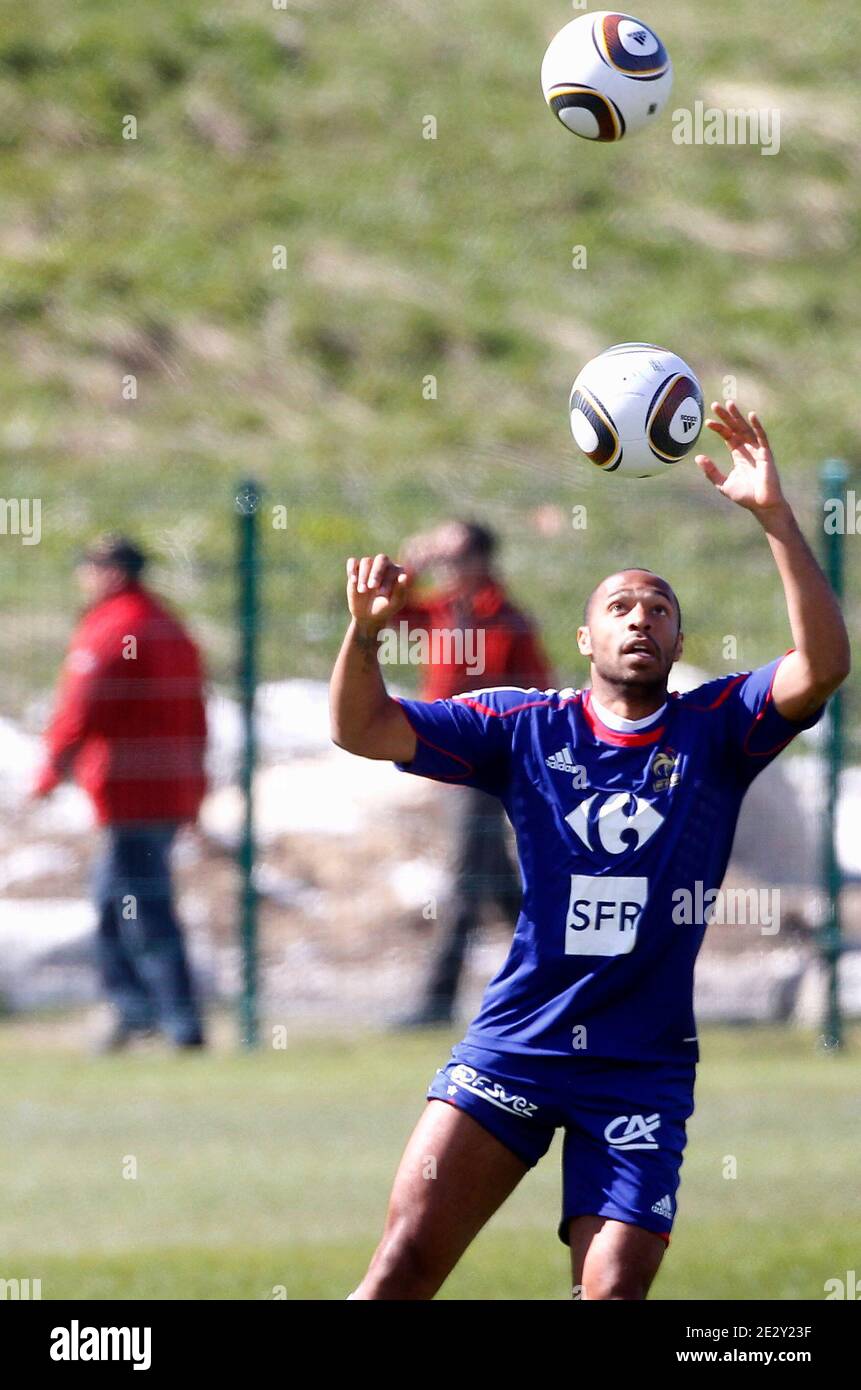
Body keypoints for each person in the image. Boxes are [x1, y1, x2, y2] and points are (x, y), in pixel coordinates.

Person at [329, 403, 850, 1300]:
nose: (639, 619)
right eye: (618, 605)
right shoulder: (522, 725)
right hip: (517, 1045)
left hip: (640, 1069)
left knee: (609, 1295)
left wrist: (772, 517)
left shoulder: (715, 729)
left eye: (658, 608)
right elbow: (362, 729)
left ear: (678, 642)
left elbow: (824, 662)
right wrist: (367, 633)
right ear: (585, 640)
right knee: (399, 1273)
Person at [31, 535, 208, 1052]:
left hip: (129, 791)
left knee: (136, 905)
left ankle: (168, 1020)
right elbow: (196, 711)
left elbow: (83, 704)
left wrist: (50, 770)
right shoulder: (168, 624)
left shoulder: (113, 626)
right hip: (169, 786)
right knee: (122, 900)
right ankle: (141, 1012)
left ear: (109, 572)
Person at [389, 520, 552, 1028]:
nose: (448, 567)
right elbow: (385, 614)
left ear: (483, 560)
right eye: (444, 558)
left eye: (457, 556)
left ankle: (436, 1001)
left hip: (484, 763)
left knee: (464, 881)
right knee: (500, 884)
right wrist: (411, 561)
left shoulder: (506, 621)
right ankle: (558, 975)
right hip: (448, 759)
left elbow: (535, 695)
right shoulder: (439, 610)